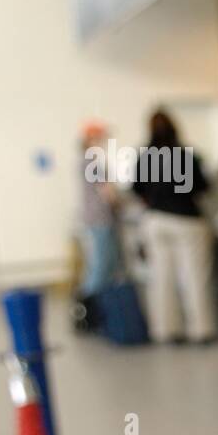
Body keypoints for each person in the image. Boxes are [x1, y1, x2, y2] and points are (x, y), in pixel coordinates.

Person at [130, 110, 217, 344]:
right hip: (187, 219)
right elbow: (203, 186)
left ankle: (166, 331)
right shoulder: (186, 155)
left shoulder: (146, 156)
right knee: (194, 276)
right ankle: (201, 330)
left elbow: (137, 189)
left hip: (156, 221)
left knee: (161, 278)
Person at [77, 120, 119, 301]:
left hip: (92, 218)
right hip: (100, 219)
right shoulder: (92, 161)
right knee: (102, 265)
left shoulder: (85, 160)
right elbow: (106, 192)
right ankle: (89, 306)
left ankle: (97, 306)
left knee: (102, 263)